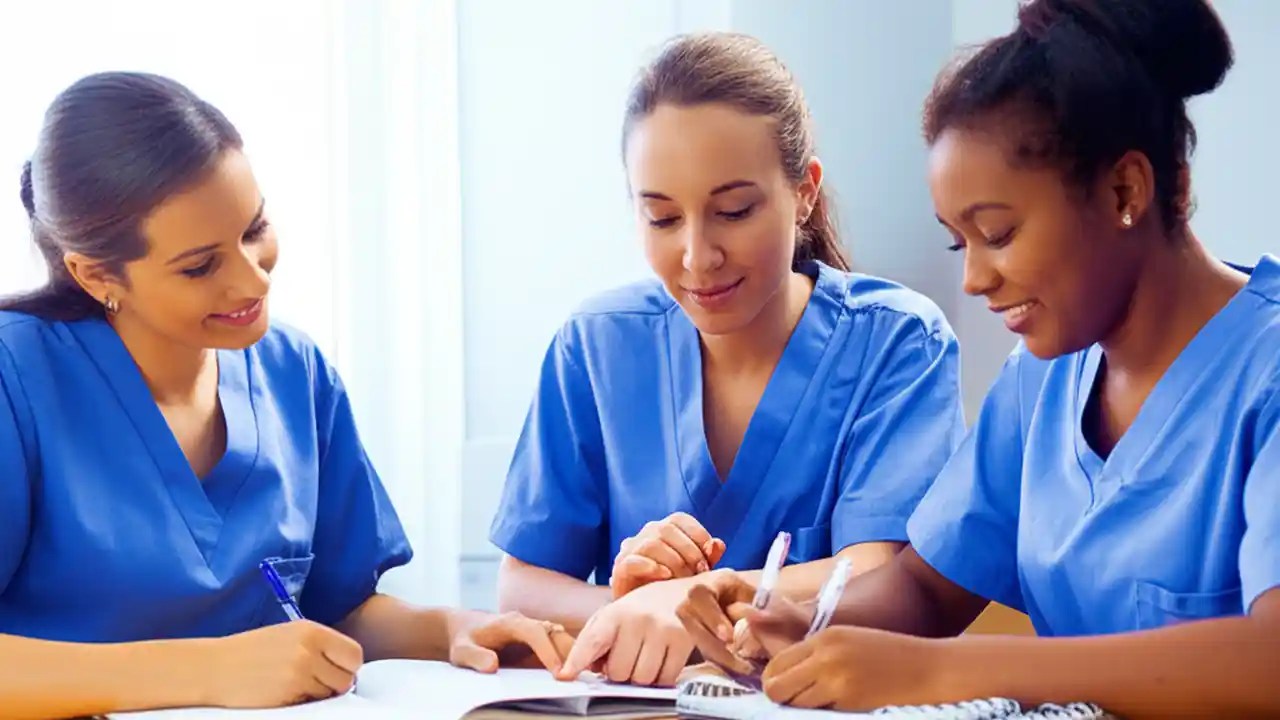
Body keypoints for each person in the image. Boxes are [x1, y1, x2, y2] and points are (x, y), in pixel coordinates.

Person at [674, 1, 1280, 717]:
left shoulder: (1263, 372)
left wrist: (944, 671)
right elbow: (927, 588)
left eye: (997, 234)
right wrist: (803, 627)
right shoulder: (1043, 378)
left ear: (1125, 191)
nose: (973, 279)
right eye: (959, 243)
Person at [0, 72, 572, 719]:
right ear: (96, 274)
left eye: (254, 229)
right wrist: (208, 670)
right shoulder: (16, 376)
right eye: (200, 266)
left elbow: (337, 612)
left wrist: (451, 630)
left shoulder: (293, 372)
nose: (253, 281)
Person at [488, 32, 966, 687]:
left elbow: (880, 571)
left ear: (805, 193)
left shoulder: (897, 342)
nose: (697, 256)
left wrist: (687, 601)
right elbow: (521, 586)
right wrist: (630, 609)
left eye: (734, 211)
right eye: (662, 219)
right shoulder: (595, 347)